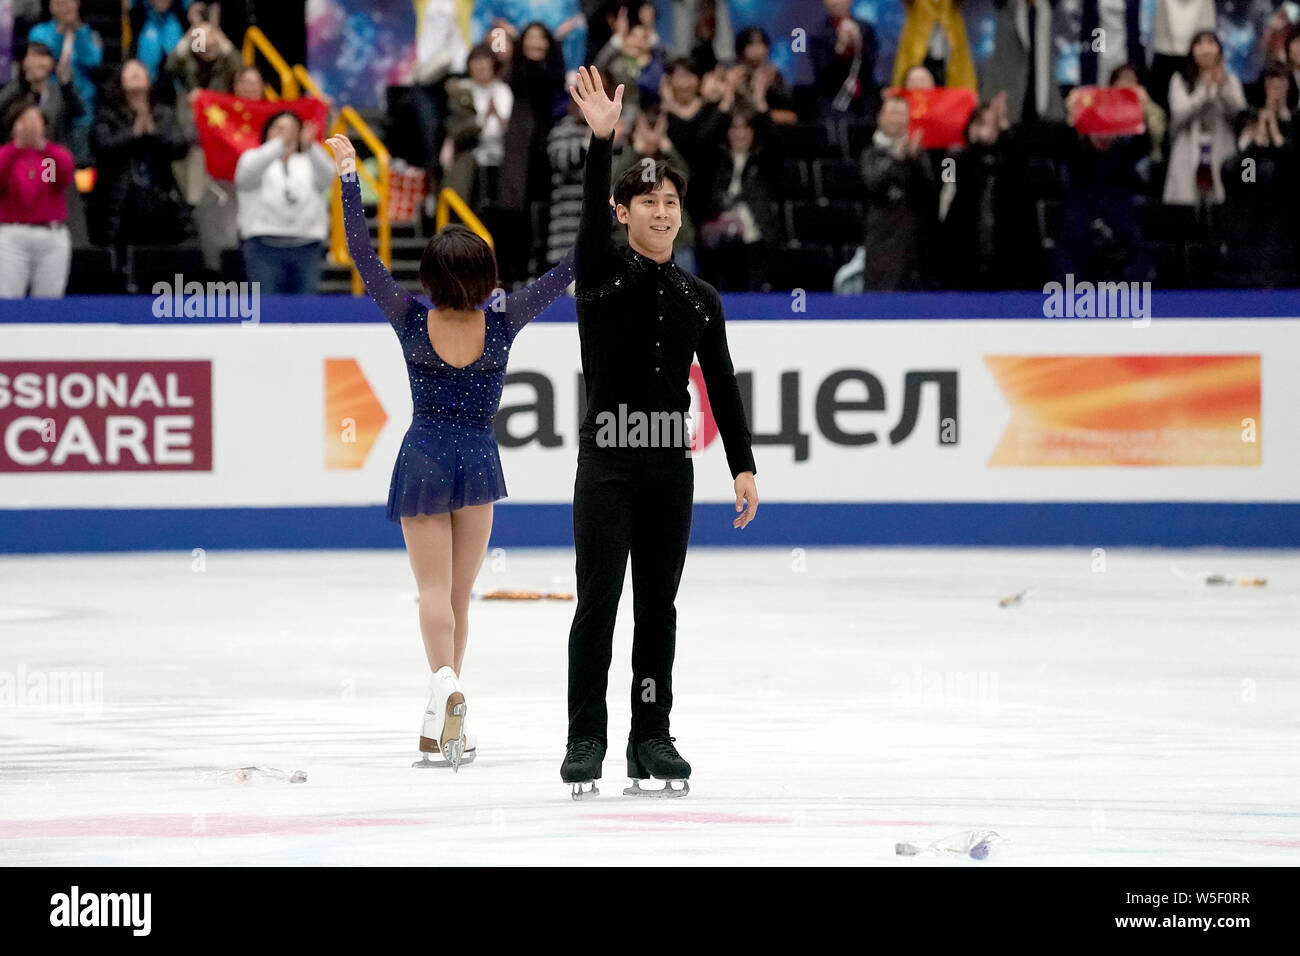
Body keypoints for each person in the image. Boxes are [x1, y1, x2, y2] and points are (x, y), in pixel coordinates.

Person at [324, 132, 575, 771]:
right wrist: (606, 214)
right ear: (486, 277)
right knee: (460, 598)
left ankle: (444, 691)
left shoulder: (410, 319)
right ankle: (443, 720)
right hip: (479, 462)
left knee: (430, 593)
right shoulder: (505, 320)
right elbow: (567, 270)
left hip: (424, 458)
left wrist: (351, 175)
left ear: (431, 277)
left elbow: (360, 252)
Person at [561, 66, 758, 798]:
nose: (663, 213)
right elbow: (585, 222)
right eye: (648, 202)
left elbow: (723, 382)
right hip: (607, 465)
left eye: (671, 202)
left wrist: (742, 465)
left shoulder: (700, 297)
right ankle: (587, 736)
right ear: (622, 211)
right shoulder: (597, 275)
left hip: (671, 470)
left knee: (657, 609)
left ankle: (652, 735)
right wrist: (601, 143)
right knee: (598, 605)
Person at [234, 111, 333, 294]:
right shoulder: (252, 158)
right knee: (268, 309)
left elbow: (328, 175)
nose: (285, 134)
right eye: (278, 129)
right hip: (263, 246)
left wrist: (311, 147)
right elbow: (245, 176)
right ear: (267, 131)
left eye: (291, 129)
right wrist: (277, 145)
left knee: (305, 309)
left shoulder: (311, 160)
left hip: (307, 246)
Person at [0, 100, 75, 297]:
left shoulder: (49, 156)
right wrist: (17, 148)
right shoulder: (7, 155)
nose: (30, 125)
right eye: (24, 120)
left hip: (50, 234)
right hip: (12, 235)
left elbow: (60, 179)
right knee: (8, 296)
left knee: (49, 298)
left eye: (35, 120)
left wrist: (44, 148)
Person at [1164, 31, 1245, 207]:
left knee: (1220, 206)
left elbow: (1239, 113)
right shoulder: (1180, 81)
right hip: (1188, 150)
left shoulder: (1231, 81)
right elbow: (1178, 114)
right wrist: (1203, 92)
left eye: (1210, 43)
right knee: (1186, 211)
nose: (1205, 49)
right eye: (1199, 44)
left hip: (1220, 148)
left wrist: (1222, 86)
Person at [28, 0, 104, 165]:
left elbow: (94, 61)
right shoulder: (40, 33)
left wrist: (79, 32)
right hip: (52, 107)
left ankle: (79, 190)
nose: (66, 7)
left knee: (80, 163)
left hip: (82, 108)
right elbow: (40, 60)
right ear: (51, 7)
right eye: (60, 3)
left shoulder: (89, 34)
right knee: (50, 162)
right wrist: (61, 32)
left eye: (70, 2)